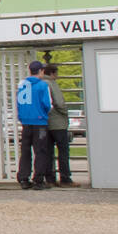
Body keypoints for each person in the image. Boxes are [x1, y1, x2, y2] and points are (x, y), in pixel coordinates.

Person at [15, 60, 54, 190]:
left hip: (26, 123)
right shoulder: (43, 85)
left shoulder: (22, 85)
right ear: (41, 71)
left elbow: (18, 103)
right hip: (40, 123)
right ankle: (38, 180)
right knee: (41, 151)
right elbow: (47, 104)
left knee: (25, 151)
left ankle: (23, 178)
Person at [41, 64, 75, 186]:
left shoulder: (40, 84)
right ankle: (65, 178)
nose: (58, 76)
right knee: (63, 151)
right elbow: (59, 102)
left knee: (48, 152)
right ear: (52, 73)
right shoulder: (51, 83)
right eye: (57, 73)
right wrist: (65, 112)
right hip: (58, 123)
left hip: (45, 123)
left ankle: (49, 178)